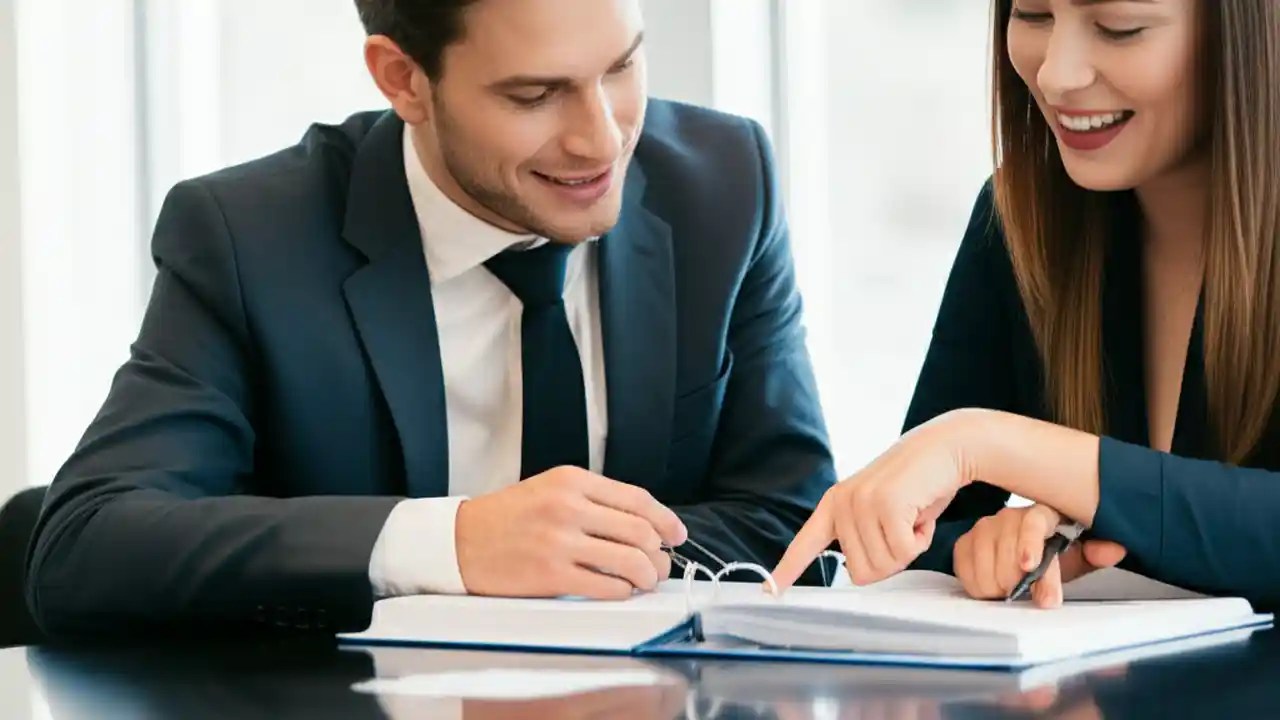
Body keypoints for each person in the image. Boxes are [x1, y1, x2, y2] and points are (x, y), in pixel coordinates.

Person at [25, 0, 835, 638]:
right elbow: (86, 546)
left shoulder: (723, 187)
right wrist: (451, 544)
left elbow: (795, 522)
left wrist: (586, 557)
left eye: (621, 66)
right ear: (403, 79)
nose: (603, 136)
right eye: (535, 93)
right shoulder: (251, 239)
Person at [774, 0, 1280, 609]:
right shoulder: (1020, 223)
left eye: (1120, 29)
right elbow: (917, 535)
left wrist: (999, 446)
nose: (1055, 74)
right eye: (1034, 14)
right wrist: (993, 549)